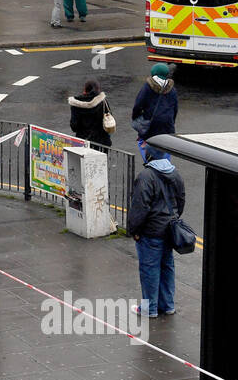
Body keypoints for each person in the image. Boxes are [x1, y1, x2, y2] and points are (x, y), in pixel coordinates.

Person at [126, 143, 186, 319]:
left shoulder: (146, 176)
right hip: (169, 230)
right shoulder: (175, 174)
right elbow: (181, 200)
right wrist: (172, 218)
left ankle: (149, 309)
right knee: (167, 267)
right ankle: (167, 305)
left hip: (150, 232)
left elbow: (140, 207)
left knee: (149, 269)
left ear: (150, 156)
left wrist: (134, 230)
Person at [131, 63, 179, 158]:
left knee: (145, 143)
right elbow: (175, 109)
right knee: (165, 147)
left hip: (151, 124)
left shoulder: (148, 87)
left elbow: (138, 105)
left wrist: (136, 118)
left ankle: (151, 165)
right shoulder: (172, 89)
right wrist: (171, 122)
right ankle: (165, 168)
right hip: (167, 125)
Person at [68, 78, 112, 148]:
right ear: (97, 89)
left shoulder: (76, 104)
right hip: (102, 143)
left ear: (85, 89)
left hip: (83, 142)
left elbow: (74, 127)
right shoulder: (102, 102)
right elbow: (109, 118)